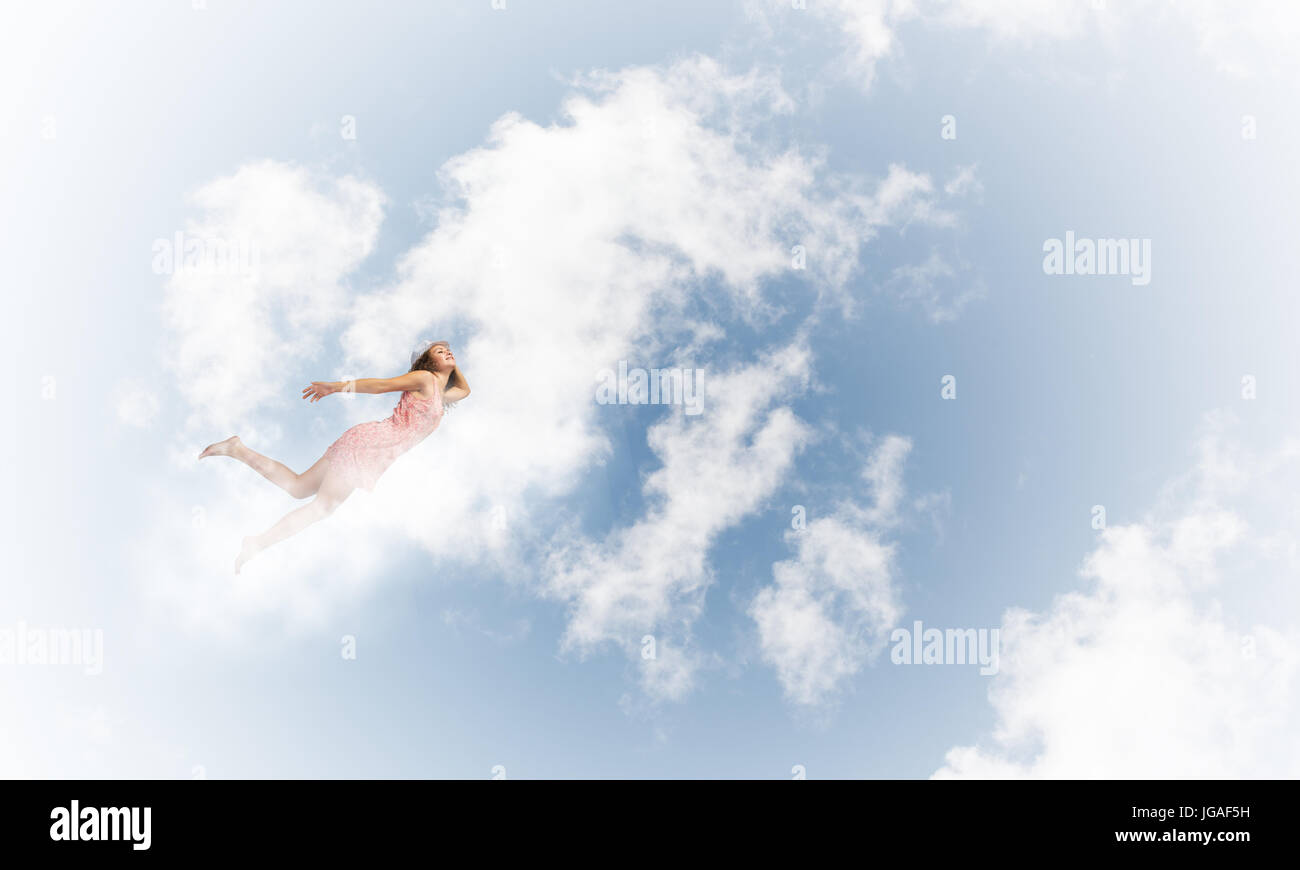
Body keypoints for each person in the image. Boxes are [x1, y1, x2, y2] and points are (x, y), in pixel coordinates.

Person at [200, 340, 470, 573]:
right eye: (438, 351)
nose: (447, 352)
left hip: (366, 446)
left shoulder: (440, 396)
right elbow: (380, 385)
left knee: (298, 487)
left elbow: (465, 391)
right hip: (367, 447)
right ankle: (257, 543)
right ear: (426, 362)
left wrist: (448, 364)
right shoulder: (424, 379)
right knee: (323, 507)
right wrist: (337, 387)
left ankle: (237, 449)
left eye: (448, 350)